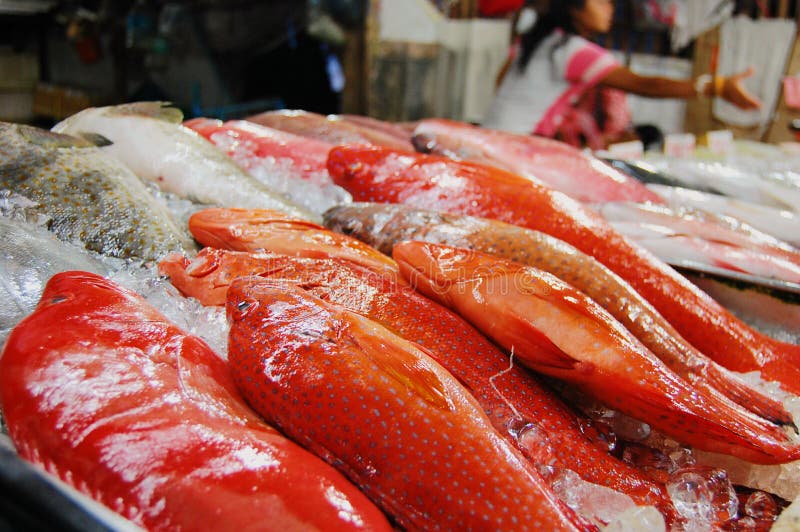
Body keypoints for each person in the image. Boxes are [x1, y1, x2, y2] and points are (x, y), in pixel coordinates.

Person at [482, 0, 762, 147]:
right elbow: (646, 85)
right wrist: (716, 86)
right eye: (601, 2)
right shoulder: (573, 50)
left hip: (491, 134)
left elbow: (499, 82)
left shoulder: (538, 41)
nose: (610, 9)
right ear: (576, 9)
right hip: (517, 144)